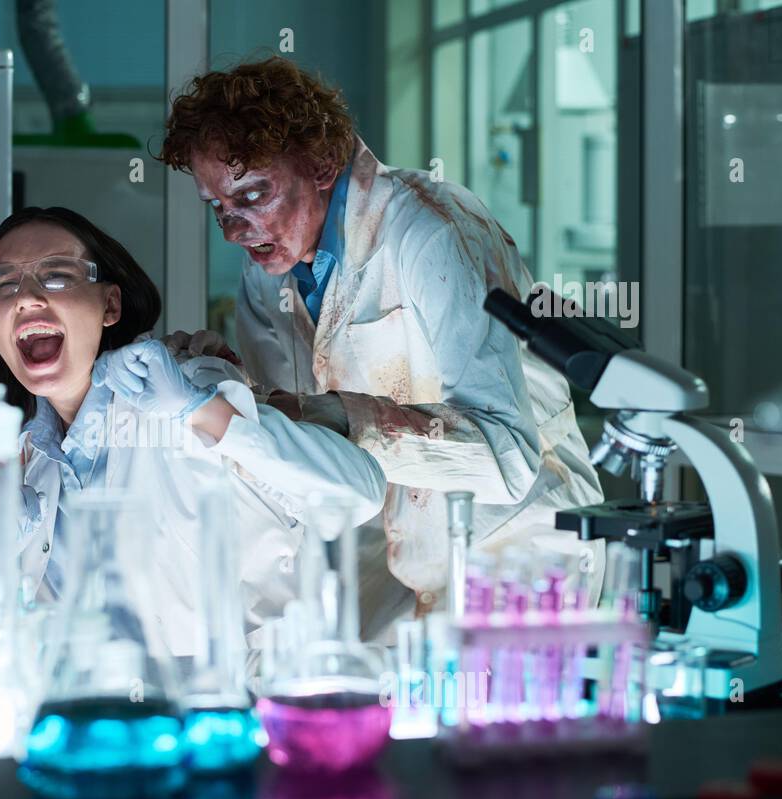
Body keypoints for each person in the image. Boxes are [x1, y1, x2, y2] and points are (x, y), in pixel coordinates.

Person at [157, 57, 605, 640]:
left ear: (320, 164)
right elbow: (295, 449)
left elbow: (508, 457)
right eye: (218, 206)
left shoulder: (432, 231)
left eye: (254, 194)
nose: (234, 229)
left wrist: (331, 416)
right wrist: (233, 385)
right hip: (401, 553)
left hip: (524, 555)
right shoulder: (268, 270)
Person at [0, 206, 386, 658]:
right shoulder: (18, 460)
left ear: (110, 306)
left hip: (229, 710)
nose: (25, 298)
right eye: (4, 284)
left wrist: (203, 410)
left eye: (56, 276)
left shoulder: (184, 391)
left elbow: (359, 493)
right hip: (80, 714)